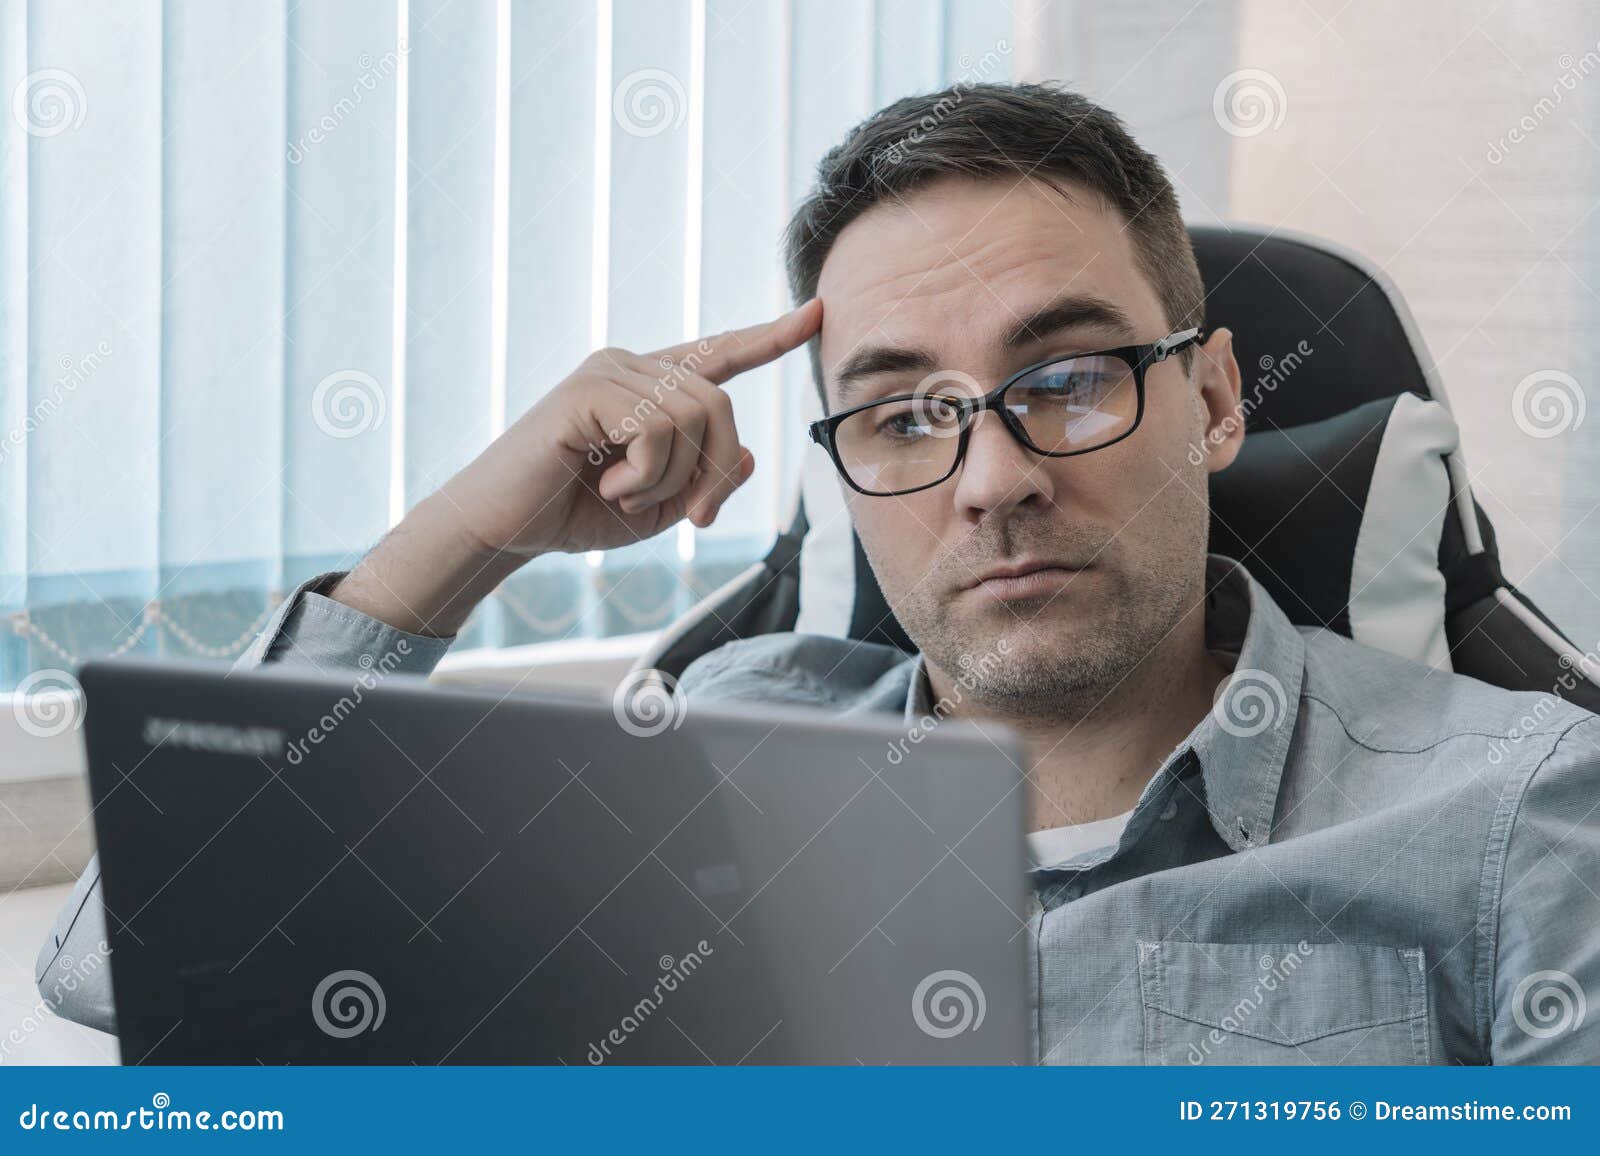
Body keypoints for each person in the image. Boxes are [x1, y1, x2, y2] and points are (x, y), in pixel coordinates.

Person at [40, 83, 1598, 1063]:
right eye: (906, 413)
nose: (995, 478)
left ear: (1209, 400)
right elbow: (137, 969)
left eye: (1067, 381)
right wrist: (469, 536)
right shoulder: (719, 738)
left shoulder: (1517, 807)